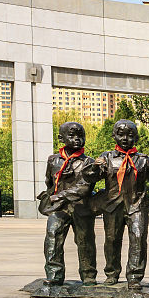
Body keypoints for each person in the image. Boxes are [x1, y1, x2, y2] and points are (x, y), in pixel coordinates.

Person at [91, 119, 149, 290]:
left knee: (138, 239)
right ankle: (111, 273)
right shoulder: (106, 157)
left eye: (130, 135)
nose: (125, 138)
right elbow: (92, 178)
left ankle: (134, 276)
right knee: (111, 240)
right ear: (114, 136)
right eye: (121, 134)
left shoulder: (143, 161)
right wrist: (94, 168)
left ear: (136, 138)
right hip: (112, 206)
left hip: (137, 205)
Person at [37, 121, 101, 285]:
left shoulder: (89, 163)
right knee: (53, 237)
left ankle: (88, 275)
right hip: (59, 209)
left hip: (81, 207)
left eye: (80, 135)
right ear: (61, 138)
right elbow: (49, 182)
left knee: (85, 241)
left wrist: (59, 196)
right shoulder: (53, 161)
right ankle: (54, 275)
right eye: (72, 136)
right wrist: (52, 198)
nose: (77, 139)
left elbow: (85, 187)